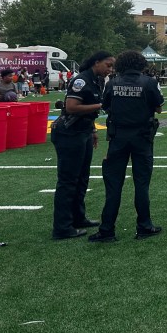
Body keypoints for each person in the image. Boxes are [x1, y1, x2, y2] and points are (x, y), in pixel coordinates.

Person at [89, 50, 164, 243]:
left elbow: (106, 107)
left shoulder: (112, 83)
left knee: (113, 185)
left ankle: (107, 229)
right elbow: (159, 107)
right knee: (142, 183)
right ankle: (144, 225)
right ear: (141, 64)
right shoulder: (149, 82)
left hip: (118, 136)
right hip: (142, 137)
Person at [51, 51, 114, 240]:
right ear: (96, 62)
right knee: (68, 180)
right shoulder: (81, 80)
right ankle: (62, 227)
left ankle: (78, 218)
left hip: (83, 131)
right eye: (108, 65)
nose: (110, 69)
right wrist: (101, 106)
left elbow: (88, 108)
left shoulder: (96, 80)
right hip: (69, 132)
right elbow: (71, 107)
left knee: (82, 178)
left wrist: (92, 129)